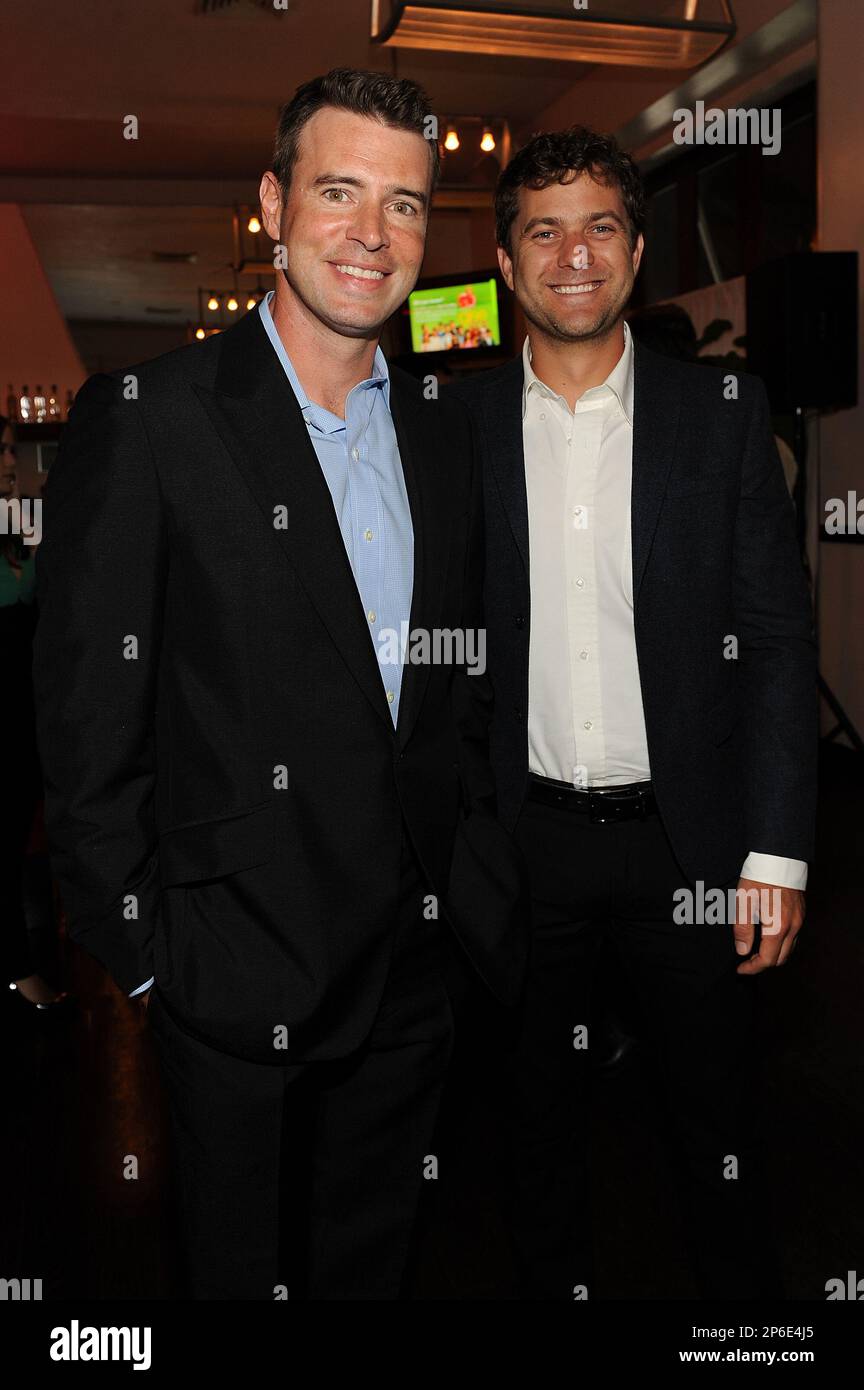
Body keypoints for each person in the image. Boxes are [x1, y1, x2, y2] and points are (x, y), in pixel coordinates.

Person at [33, 68, 526, 1300]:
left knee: (379, 1262)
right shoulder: (152, 416)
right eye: (341, 192)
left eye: (406, 205)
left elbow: (452, 690)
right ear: (272, 202)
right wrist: (144, 952)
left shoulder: (443, 429)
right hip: (230, 960)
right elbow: (86, 712)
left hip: (414, 964)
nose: (374, 234)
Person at [449, 126, 817, 1300]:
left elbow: (771, 639)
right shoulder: (446, 427)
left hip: (689, 846)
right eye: (543, 229)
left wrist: (776, 850)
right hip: (522, 850)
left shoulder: (720, 411)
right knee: (533, 1135)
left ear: (638, 249)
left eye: (600, 225)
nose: (573, 254)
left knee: (715, 1134)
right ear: (506, 262)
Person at [0, 414, 72, 1014]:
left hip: (23, 705)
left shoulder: (16, 515)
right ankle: (19, 973)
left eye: (8, 449)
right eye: (0, 450)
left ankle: (22, 967)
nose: (8, 460)